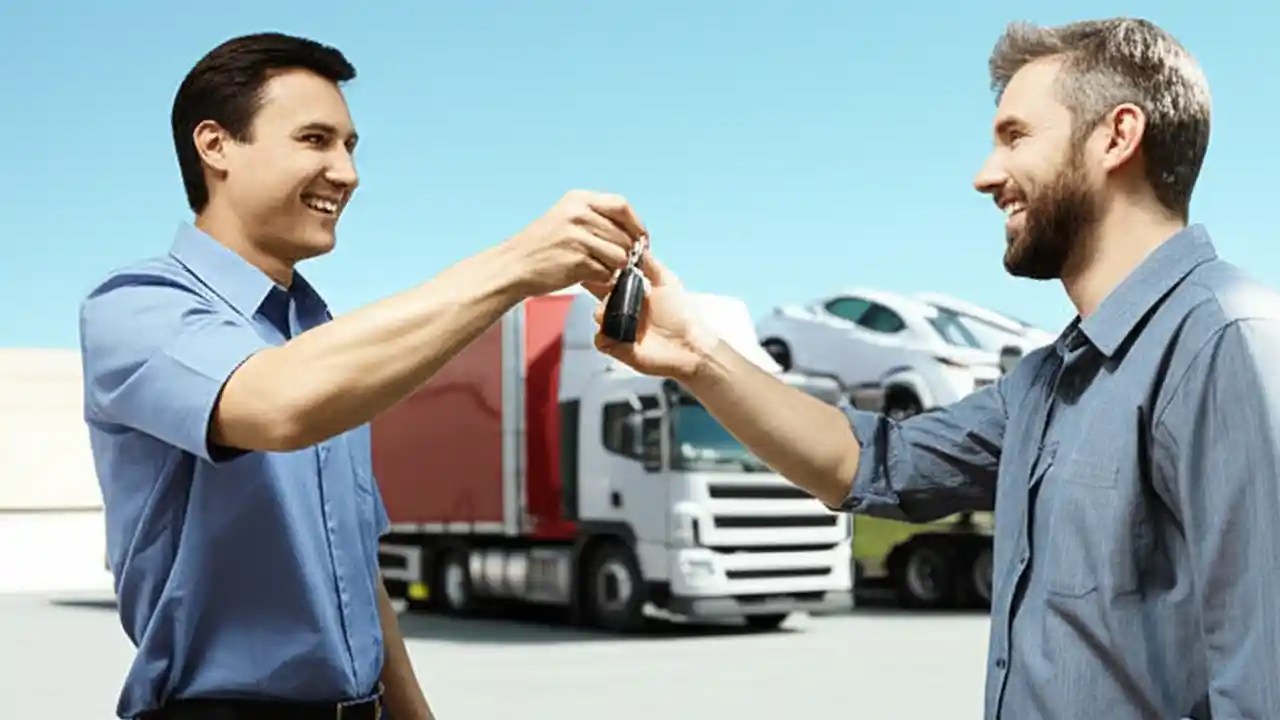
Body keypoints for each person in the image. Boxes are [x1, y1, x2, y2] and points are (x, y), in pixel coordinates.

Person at [588, 17, 1280, 720]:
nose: (986, 176)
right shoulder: (1045, 385)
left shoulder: (1228, 342)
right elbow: (866, 463)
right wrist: (698, 354)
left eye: (1015, 136)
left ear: (1116, 137)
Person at [79, 32, 647, 720]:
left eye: (349, 147)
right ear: (215, 146)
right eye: (315, 140)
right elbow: (277, 404)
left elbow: (357, 578)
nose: (345, 173)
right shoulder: (136, 309)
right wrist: (516, 266)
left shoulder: (321, 339)